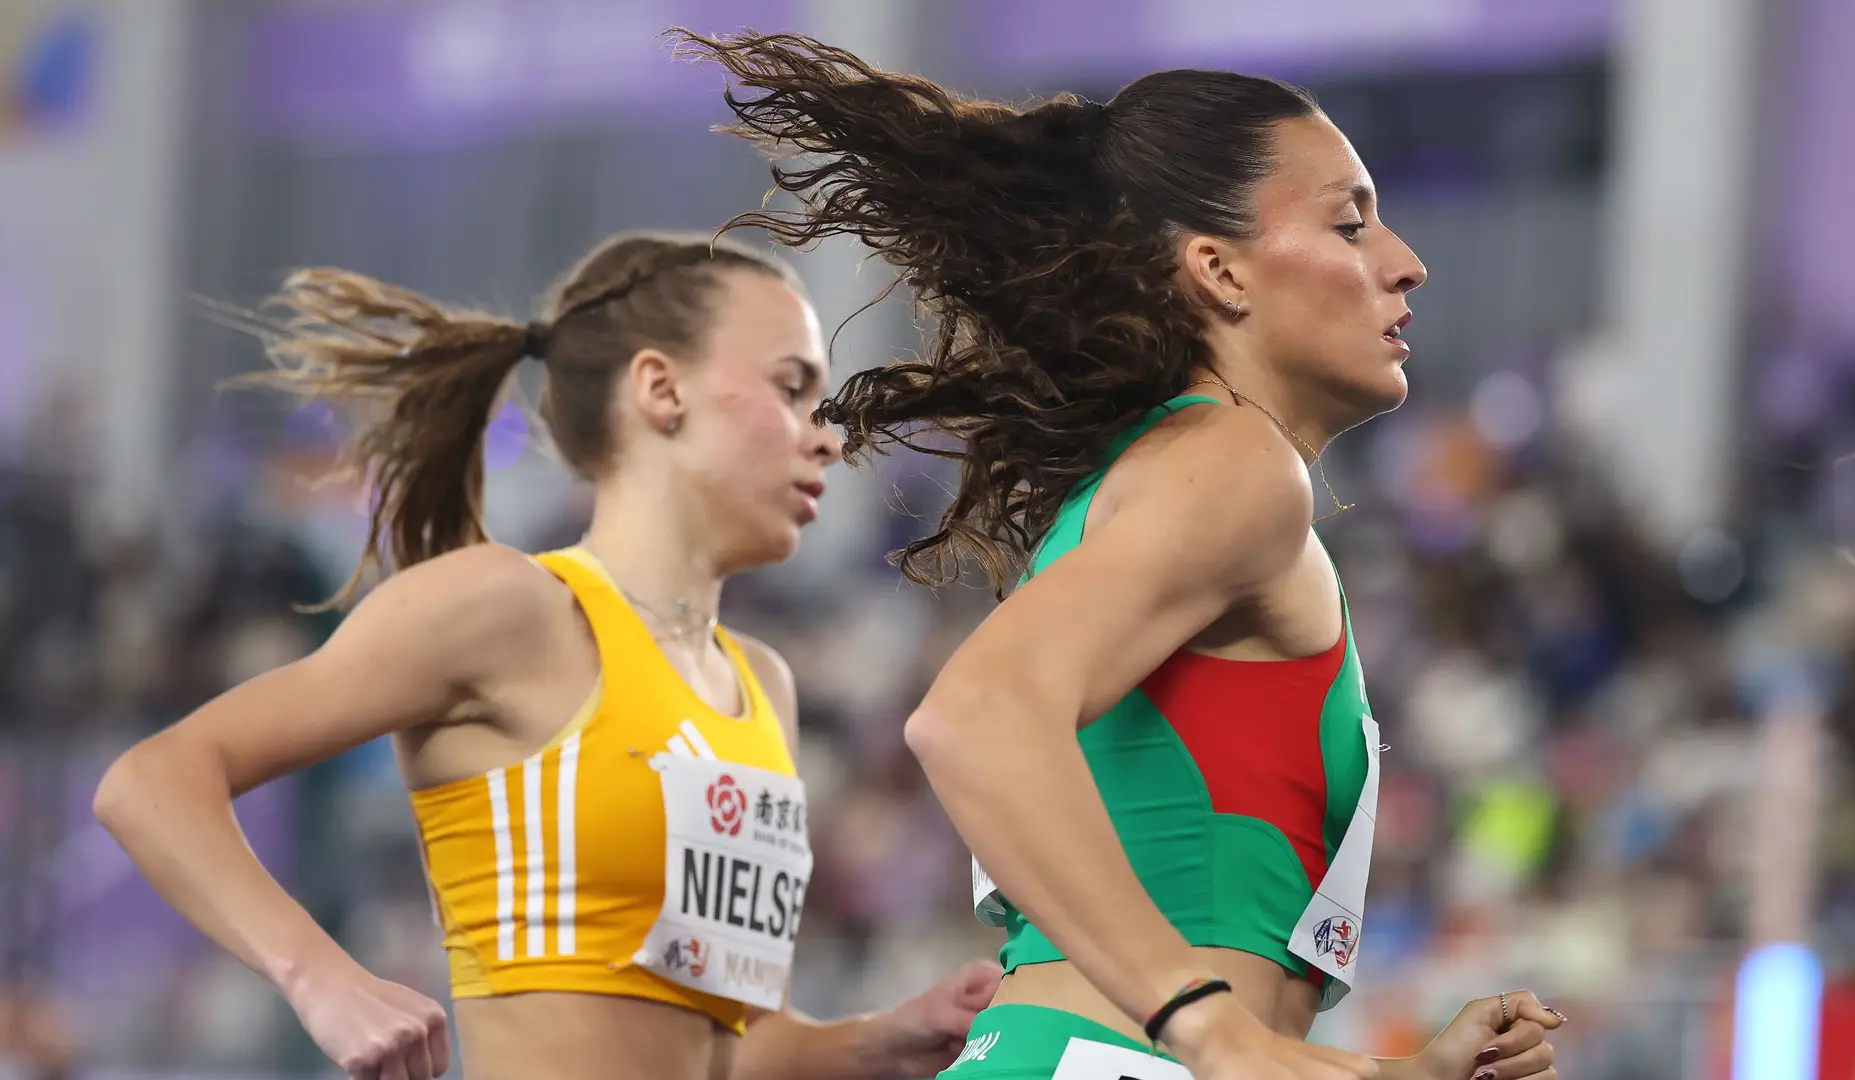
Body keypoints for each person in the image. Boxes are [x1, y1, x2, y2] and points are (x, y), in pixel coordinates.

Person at [679, 31, 1567, 1080]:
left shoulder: (1161, 476)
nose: (1404, 261)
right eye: (1350, 223)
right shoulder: (1236, 463)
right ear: (1220, 270)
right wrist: (1207, 1023)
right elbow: (974, 717)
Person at [92, 230, 999, 1080]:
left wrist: (883, 1036)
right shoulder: (511, 608)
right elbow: (154, 781)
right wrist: (320, 977)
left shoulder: (763, 685)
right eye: (791, 386)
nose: (827, 435)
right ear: (661, 390)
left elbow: (731, 1044)